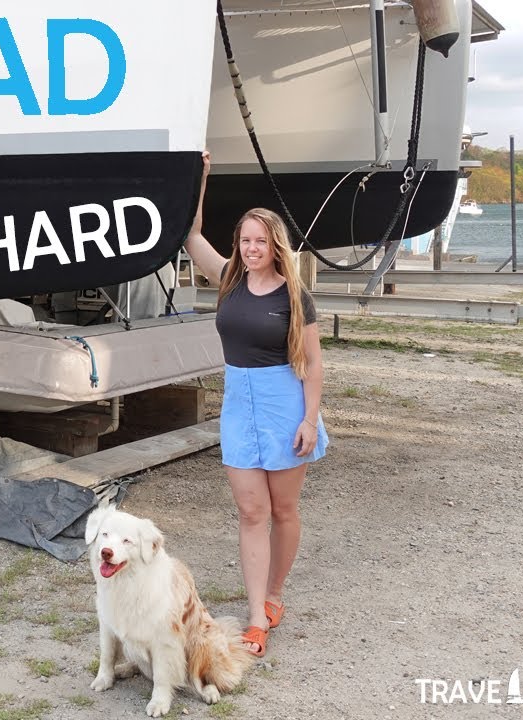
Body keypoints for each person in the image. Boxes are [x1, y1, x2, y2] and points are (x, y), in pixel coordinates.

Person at [183, 151, 328, 657]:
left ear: (274, 246)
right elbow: (189, 235)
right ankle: (254, 619)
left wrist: (309, 419)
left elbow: (311, 362)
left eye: (259, 242)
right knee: (251, 510)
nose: (250, 249)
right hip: (238, 405)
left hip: (284, 404)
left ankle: (273, 596)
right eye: (244, 241)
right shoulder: (227, 278)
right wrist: (199, 177)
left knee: (283, 509)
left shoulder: (295, 296)